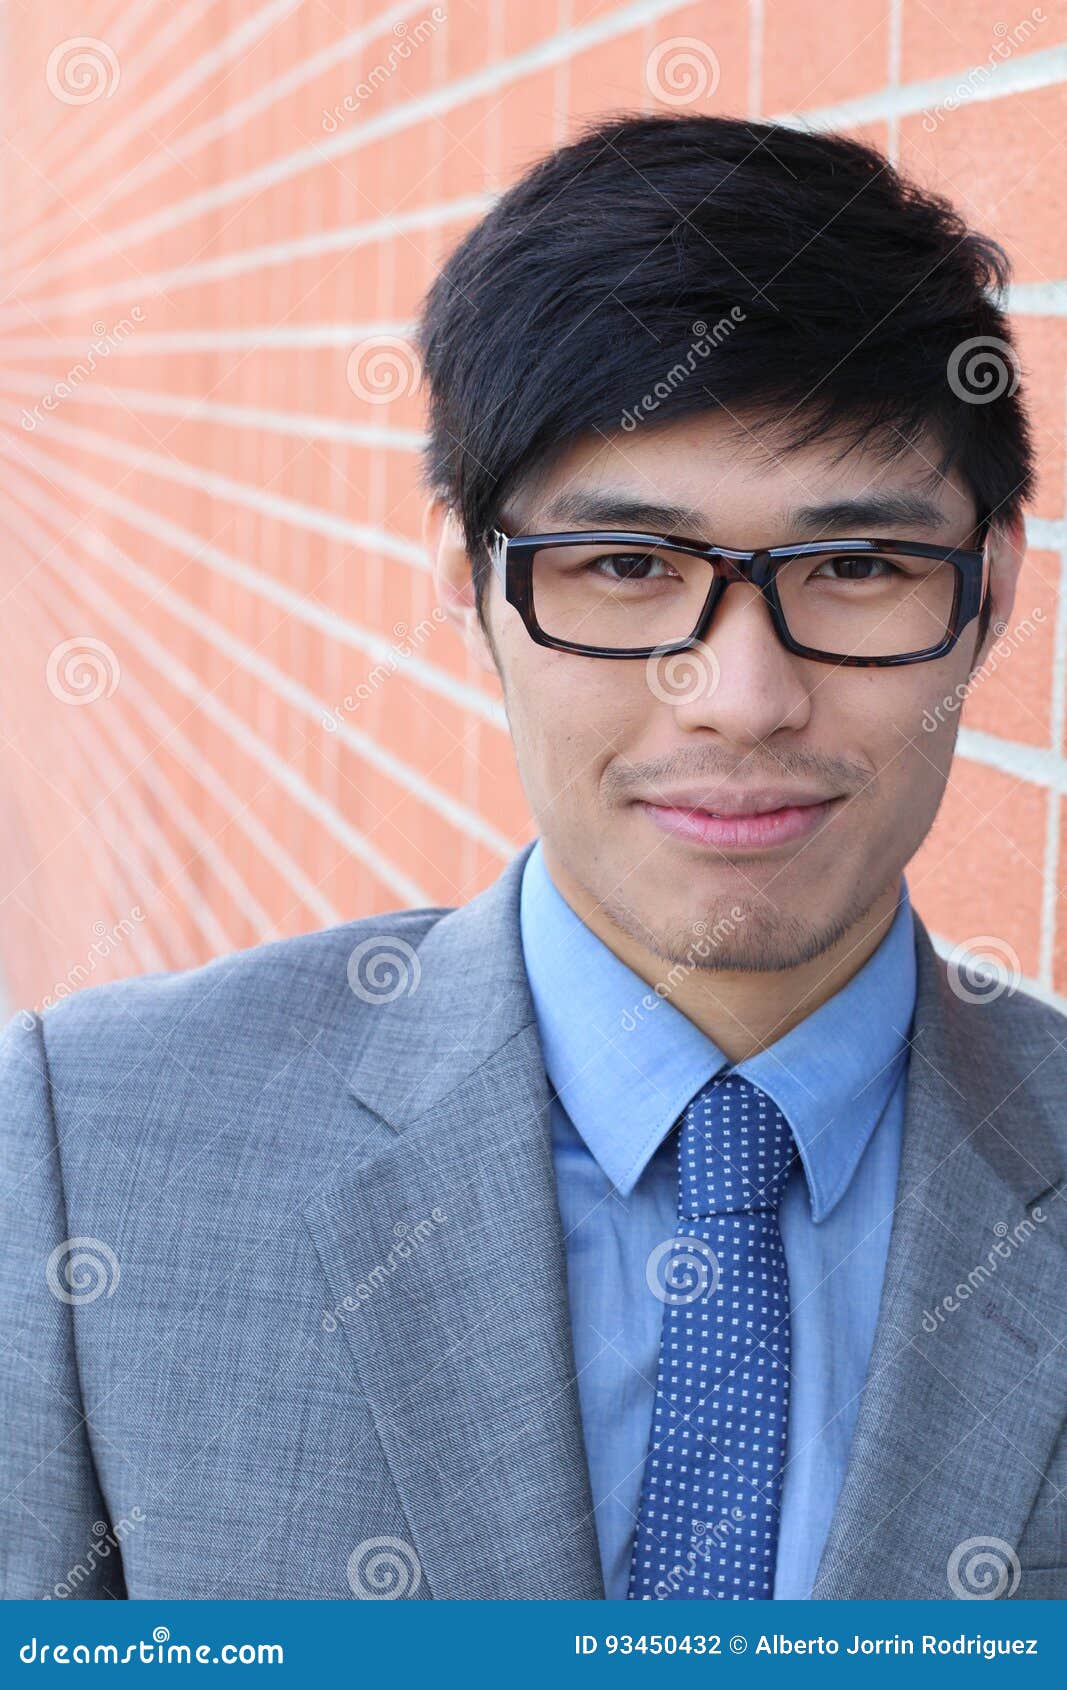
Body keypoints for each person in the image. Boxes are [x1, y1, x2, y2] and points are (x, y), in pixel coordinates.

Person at [2, 112, 1064, 1604]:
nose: (743, 699)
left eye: (857, 568)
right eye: (628, 567)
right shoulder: (85, 1147)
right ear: (466, 579)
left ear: (995, 588)